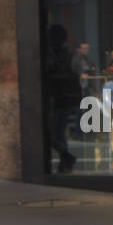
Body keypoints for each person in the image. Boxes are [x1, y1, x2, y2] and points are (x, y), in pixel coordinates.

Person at [43, 25, 79, 173]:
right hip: (61, 97)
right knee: (57, 132)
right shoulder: (66, 54)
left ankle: (65, 157)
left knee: (53, 132)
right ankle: (65, 158)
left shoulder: (58, 55)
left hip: (57, 97)